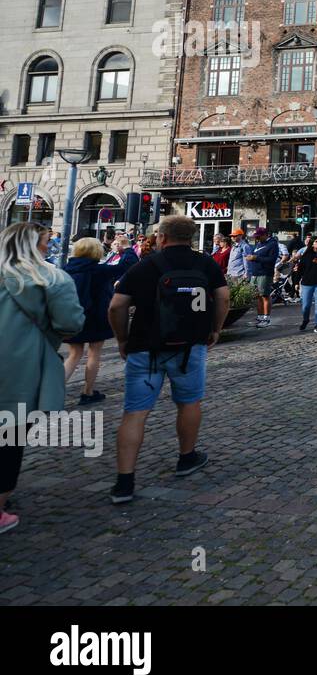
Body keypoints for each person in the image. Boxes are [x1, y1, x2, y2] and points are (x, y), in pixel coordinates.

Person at [106, 215, 228, 504]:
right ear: (192, 237)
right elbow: (223, 297)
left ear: (161, 237)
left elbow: (116, 306)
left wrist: (122, 339)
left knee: (135, 412)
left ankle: (125, 481)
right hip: (190, 346)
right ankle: (186, 457)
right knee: (189, 403)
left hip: (145, 347)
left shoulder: (144, 266)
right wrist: (215, 329)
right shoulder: (205, 264)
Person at [0, 223, 85, 533]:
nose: (49, 247)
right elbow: (71, 322)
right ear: (33, 245)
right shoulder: (50, 277)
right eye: (46, 242)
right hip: (21, 365)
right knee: (9, 435)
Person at [63, 237, 132, 405]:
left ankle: (52, 393)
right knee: (94, 353)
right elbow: (128, 266)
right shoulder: (99, 270)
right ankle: (87, 391)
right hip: (96, 317)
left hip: (75, 315)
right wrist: (127, 249)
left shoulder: (66, 268)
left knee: (74, 354)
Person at [245, 228, 279, 327]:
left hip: (265, 273)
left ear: (265, 235)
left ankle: (266, 318)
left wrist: (256, 258)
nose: (257, 239)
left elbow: (272, 259)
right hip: (255, 273)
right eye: (256, 237)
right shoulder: (259, 244)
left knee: (264, 295)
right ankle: (259, 317)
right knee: (257, 296)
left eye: (259, 237)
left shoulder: (272, 244)